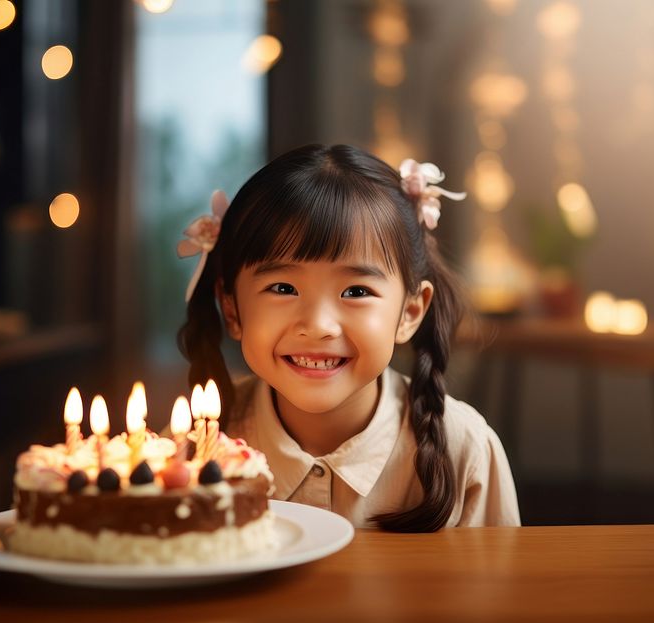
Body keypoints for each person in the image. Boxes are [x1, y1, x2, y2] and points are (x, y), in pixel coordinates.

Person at [177, 143, 519, 531]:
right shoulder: (192, 445)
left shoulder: (466, 451)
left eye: (356, 292)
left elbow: (498, 589)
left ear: (409, 313)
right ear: (233, 309)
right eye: (283, 288)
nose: (319, 325)